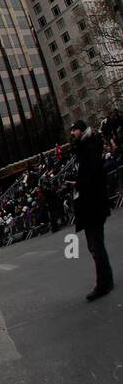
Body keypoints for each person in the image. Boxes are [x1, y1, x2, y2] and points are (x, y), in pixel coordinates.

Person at [70, 119, 114, 302]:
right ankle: (106, 279)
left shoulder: (89, 149)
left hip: (93, 204)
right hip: (92, 204)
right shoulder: (85, 149)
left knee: (96, 244)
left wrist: (78, 183)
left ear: (82, 131)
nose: (72, 133)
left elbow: (95, 176)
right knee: (94, 244)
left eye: (74, 130)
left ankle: (104, 283)